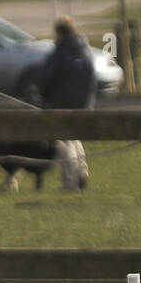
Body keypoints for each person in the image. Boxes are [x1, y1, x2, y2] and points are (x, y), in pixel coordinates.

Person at [38, 16, 97, 191]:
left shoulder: (60, 52)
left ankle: (70, 182)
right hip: (83, 105)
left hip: (61, 104)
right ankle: (82, 172)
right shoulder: (85, 50)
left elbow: (47, 78)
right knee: (75, 138)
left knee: (64, 143)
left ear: (60, 32)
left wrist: (43, 95)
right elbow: (92, 80)